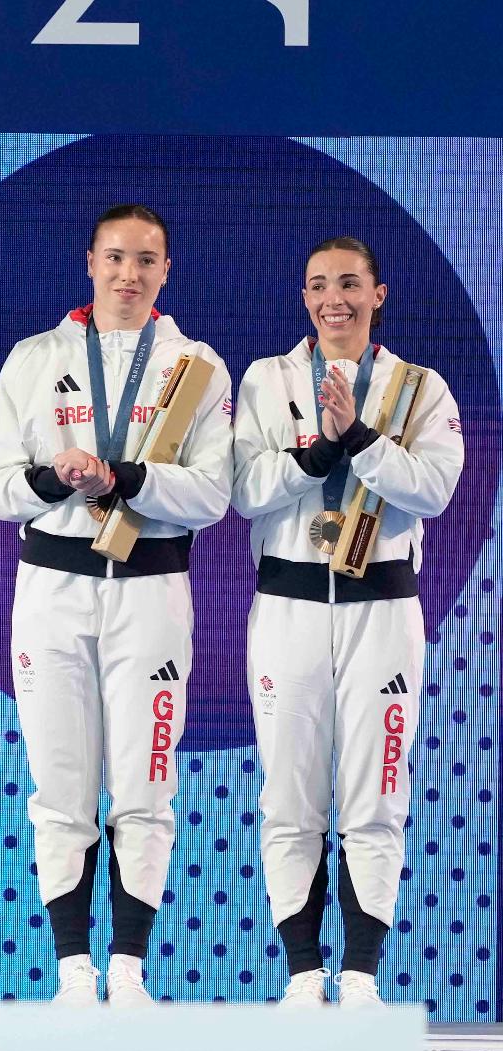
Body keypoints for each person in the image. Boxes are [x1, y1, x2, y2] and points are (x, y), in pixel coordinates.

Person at [0, 205, 233, 1005]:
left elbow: (212, 495)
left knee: (146, 786)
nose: (129, 274)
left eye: (146, 260)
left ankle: (129, 968)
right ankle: (73, 972)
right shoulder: (35, 358)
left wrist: (125, 478)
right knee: (60, 787)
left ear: (167, 271)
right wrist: (54, 479)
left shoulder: (197, 367)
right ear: (90, 261)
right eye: (116, 257)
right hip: (52, 593)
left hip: (151, 595)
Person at [232, 237, 464, 1007]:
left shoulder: (419, 388)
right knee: (289, 799)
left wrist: (360, 438)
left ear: (378, 294)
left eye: (350, 284)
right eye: (319, 285)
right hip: (289, 607)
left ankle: (360, 975)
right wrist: (317, 451)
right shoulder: (267, 380)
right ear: (305, 298)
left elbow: (432, 491)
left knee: (377, 796)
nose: (335, 299)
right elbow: (244, 491)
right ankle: (303, 974)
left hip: (382, 611)